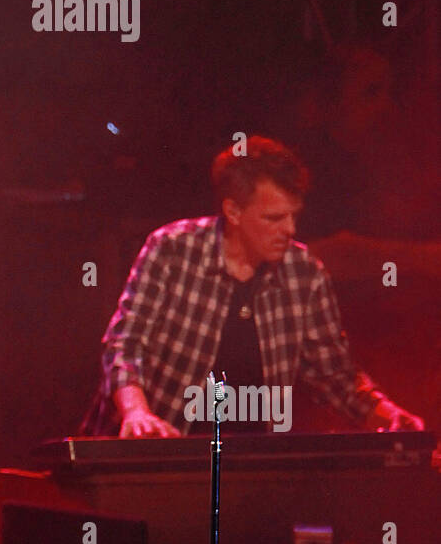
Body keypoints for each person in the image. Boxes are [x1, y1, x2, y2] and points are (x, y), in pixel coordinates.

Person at [82, 136, 424, 437]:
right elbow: (125, 343)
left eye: (293, 215)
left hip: (244, 466)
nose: (289, 229)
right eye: (274, 218)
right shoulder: (171, 249)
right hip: (152, 456)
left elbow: (336, 376)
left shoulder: (305, 274)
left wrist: (388, 414)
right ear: (233, 211)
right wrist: (136, 412)